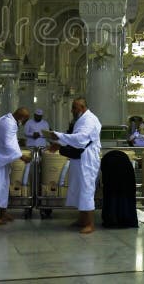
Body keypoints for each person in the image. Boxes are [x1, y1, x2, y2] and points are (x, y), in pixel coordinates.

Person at [43, 97, 101, 234]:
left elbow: (80, 140)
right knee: (78, 188)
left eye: (74, 107)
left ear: (82, 107)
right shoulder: (81, 120)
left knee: (86, 190)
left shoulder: (90, 120)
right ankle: (82, 220)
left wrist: (58, 136)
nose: (72, 110)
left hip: (87, 160)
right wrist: (58, 144)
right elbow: (74, 140)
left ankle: (90, 224)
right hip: (79, 159)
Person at [0, 107, 31, 225]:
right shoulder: (8, 124)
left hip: (2, 161)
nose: (24, 123)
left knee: (3, 187)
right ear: (22, 118)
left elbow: (11, 142)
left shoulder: (9, 120)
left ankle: (3, 212)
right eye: (25, 120)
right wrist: (22, 156)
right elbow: (8, 144)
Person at [100, 150, 137, 228]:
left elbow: (104, 180)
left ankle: (112, 219)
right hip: (126, 177)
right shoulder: (126, 164)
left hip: (110, 171)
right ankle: (125, 217)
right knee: (125, 195)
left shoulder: (107, 161)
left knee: (112, 194)